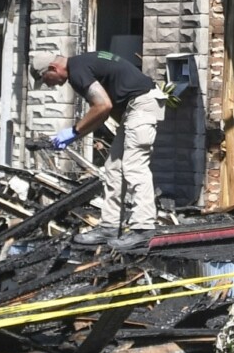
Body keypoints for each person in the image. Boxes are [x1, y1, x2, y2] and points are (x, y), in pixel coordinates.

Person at [29, 46, 160, 248]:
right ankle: (109, 226)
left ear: (54, 68)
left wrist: (73, 132)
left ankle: (143, 228)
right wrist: (76, 134)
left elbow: (102, 106)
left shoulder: (77, 71)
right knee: (114, 168)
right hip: (134, 109)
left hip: (141, 106)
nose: (49, 85)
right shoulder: (83, 65)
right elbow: (104, 112)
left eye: (46, 79)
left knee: (134, 166)